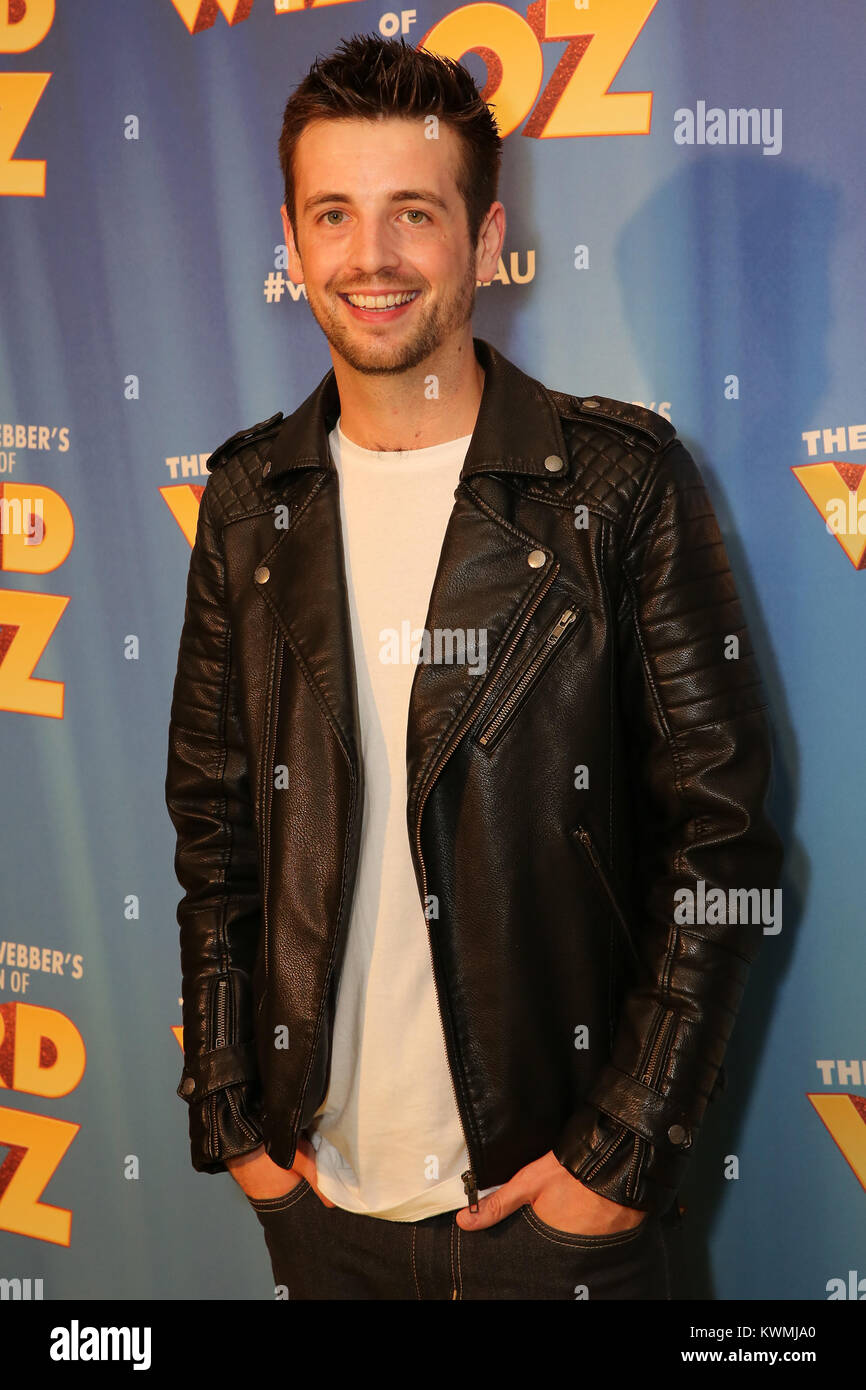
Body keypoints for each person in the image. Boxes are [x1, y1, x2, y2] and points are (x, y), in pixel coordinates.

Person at [165, 34, 783, 1301]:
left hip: (549, 1220)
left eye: (413, 214)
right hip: (318, 1204)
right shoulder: (245, 501)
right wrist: (234, 1116)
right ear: (290, 239)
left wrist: (615, 1155)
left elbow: (717, 845)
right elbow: (215, 824)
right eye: (333, 214)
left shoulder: (615, 488)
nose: (370, 257)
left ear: (484, 235)